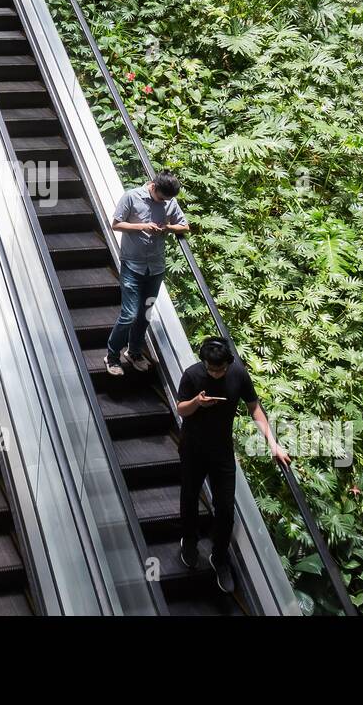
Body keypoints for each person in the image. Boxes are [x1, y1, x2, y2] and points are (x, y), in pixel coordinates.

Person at [176, 337, 289, 592]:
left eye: (220, 369)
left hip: (222, 451)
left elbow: (254, 408)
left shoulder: (238, 374)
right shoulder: (193, 375)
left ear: (228, 363)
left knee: (226, 507)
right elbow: (181, 409)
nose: (215, 373)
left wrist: (272, 443)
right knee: (190, 497)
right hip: (193, 448)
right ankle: (190, 542)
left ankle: (219, 555)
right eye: (211, 369)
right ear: (204, 362)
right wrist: (198, 403)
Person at [105, 171, 189, 376]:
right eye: (162, 198)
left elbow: (185, 226)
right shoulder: (131, 196)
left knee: (145, 313)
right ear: (153, 186)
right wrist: (143, 226)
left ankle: (134, 352)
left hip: (156, 268)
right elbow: (116, 224)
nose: (165, 202)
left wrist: (167, 227)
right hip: (132, 265)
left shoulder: (169, 201)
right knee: (129, 315)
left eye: (168, 199)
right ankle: (112, 355)